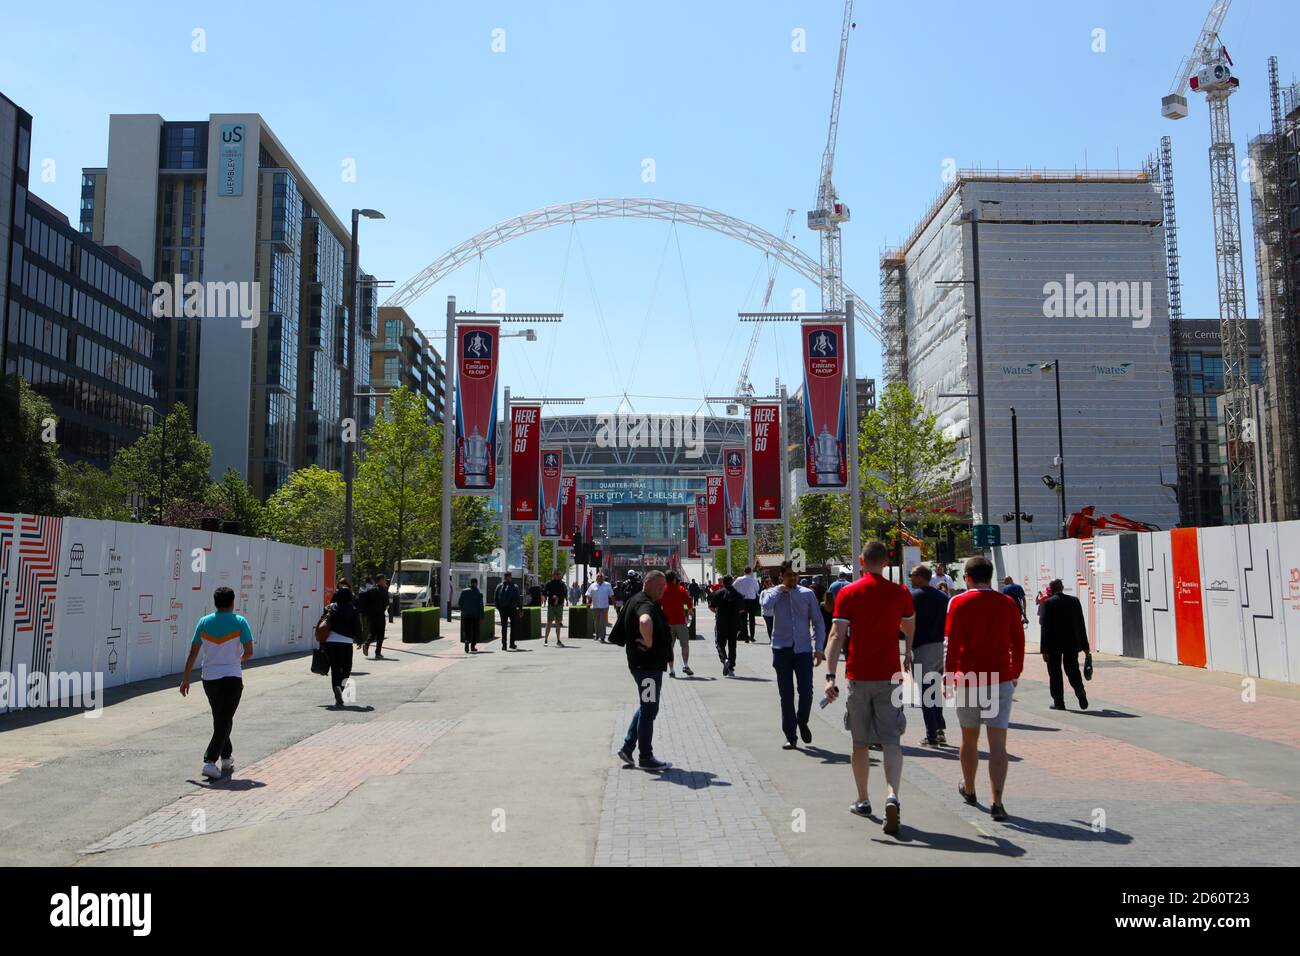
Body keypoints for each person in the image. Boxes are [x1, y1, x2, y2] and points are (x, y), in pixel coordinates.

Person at [824, 541, 916, 836]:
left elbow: (837, 636)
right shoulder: (899, 592)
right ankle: (892, 794)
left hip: (859, 675)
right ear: (886, 562)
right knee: (891, 740)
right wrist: (908, 650)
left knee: (860, 743)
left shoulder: (848, 593)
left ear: (861, 560)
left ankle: (863, 799)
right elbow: (909, 626)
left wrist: (830, 676)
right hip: (890, 676)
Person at [945, 556, 1025, 823]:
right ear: (990, 576)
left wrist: (948, 675)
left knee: (969, 739)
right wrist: (1015, 672)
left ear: (967, 576)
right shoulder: (1008, 603)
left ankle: (969, 788)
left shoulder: (957, 602)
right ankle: (998, 801)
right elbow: (1018, 639)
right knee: (998, 743)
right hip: (1000, 677)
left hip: (968, 678)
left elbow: (952, 642)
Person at [180, 586, 254, 780]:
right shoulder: (240, 621)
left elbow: (193, 652)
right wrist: (238, 659)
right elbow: (249, 651)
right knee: (224, 718)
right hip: (232, 677)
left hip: (209, 678)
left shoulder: (204, 622)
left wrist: (186, 678)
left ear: (215, 602)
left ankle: (227, 757)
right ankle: (210, 761)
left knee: (220, 717)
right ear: (232, 602)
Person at [763, 561, 826, 749]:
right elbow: (766, 607)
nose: (792, 578)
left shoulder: (807, 595)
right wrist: (778, 590)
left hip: (803, 650)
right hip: (781, 649)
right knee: (786, 694)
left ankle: (802, 720)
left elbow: (818, 622)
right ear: (782, 575)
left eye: (795, 575)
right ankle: (791, 736)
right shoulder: (772, 593)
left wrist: (819, 648)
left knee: (806, 691)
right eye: (788, 575)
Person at [617, 570, 673, 772]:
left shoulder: (637, 599)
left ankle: (628, 746)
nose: (661, 591)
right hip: (647, 667)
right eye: (659, 587)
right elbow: (645, 621)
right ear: (647, 583)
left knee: (646, 705)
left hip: (644, 665)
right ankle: (646, 756)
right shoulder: (645, 603)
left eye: (663, 588)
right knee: (649, 710)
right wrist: (648, 640)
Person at [908, 564, 950, 747]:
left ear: (920, 577)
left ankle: (931, 734)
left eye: (912, 575)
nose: (910, 578)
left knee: (926, 693)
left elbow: (908, 625)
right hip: (940, 646)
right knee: (935, 688)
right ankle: (939, 728)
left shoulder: (913, 597)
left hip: (922, 648)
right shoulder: (943, 597)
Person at [1038, 579, 1090, 711]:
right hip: (1072, 642)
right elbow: (1081, 624)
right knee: (1072, 668)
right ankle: (1080, 690)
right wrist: (1085, 646)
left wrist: (1044, 650)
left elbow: (1045, 628)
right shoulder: (1074, 601)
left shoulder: (1048, 603)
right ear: (1062, 587)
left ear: (1051, 589)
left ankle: (1059, 702)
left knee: (1055, 672)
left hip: (1053, 644)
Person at [321, 585, 360, 707]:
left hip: (331, 642)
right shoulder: (353, 609)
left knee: (335, 668)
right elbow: (357, 627)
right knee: (346, 668)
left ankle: (336, 688)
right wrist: (360, 640)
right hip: (347, 643)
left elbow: (324, 623)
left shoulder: (331, 608)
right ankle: (341, 688)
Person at [708, 575, 746, 676]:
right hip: (734, 623)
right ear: (732, 582)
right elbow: (742, 610)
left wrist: (717, 612)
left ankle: (724, 660)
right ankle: (731, 667)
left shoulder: (718, 593)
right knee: (732, 645)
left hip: (721, 622)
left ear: (723, 583)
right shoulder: (738, 595)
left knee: (720, 643)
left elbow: (711, 607)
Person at [661, 571, 694, 677]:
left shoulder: (662, 590)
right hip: (680, 621)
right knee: (685, 645)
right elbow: (689, 603)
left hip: (667, 623)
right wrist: (690, 611)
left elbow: (657, 604)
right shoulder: (681, 589)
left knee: (669, 647)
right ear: (674, 579)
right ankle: (685, 665)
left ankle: (671, 670)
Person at [361, 575, 391, 659]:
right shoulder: (383, 590)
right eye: (384, 580)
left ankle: (366, 644)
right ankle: (378, 653)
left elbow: (365, 602)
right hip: (380, 614)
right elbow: (386, 603)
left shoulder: (371, 590)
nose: (385, 581)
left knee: (373, 632)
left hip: (371, 615)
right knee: (380, 633)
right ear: (381, 580)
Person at [494, 572, 523, 651]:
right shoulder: (514, 586)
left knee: (504, 627)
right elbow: (518, 599)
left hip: (503, 609)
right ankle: (512, 644)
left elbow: (495, 599)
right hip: (512, 609)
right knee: (513, 626)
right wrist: (520, 609)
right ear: (510, 577)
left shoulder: (499, 586)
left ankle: (504, 645)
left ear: (504, 577)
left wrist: (499, 608)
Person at [732, 566, 761, 642]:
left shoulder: (738, 579)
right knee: (752, 619)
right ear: (750, 572)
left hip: (742, 601)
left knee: (743, 620)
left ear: (744, 571)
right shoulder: (754, 580)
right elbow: (757, 590)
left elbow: (733, 587)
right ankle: (752, 637)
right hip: (751, 601)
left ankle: (746, 638)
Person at [543, 569, 568, 647]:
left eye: (558, 574)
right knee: (549, 622)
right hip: (551, 605)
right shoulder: (549, 583)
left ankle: (558, 640)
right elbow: (545, 592)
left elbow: (564, 593)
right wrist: (551, 596)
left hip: (559, 605)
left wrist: (559, 599)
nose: (556, 575)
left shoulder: (562, 584)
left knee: (558, 623)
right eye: (555, 574)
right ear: (552, 575)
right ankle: (546, 639)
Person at [459, 578, 485, 654]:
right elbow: (481, 606)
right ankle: (473, 646)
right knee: (475, 631)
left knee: (467, 630)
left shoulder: (464, 591)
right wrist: (482, 616)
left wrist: (463, 610)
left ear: (470, 583)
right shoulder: (478, 592)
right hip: (475, 615)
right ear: (476, 583)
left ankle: (467, 641)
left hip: (466, 614)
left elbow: (460, 603)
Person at [758, 574, 778, 642]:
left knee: (773, 627)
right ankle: (771, 639)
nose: (769, 584)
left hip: (773, 613)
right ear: (765, 584)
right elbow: (760, 602)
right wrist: (766, 604)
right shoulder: (763, 592)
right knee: (769, 627)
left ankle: (774, 639)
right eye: (767, 583)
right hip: (765, 613)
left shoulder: (774, 591)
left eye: (770, 582)